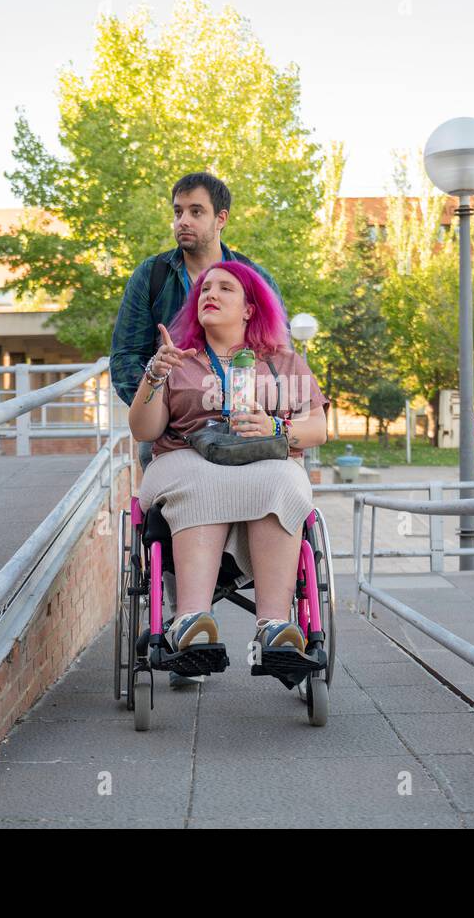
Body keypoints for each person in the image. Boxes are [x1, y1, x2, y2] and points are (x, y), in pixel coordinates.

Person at [110, 172, 288, 686]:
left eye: (194, 211)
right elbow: (125, 353)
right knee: (173, 503)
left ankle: (259, 606)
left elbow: (278, 352)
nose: (182, 221)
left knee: (270, 485)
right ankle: (184, 621)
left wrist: (272, 415)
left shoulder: (253, 276)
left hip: (244, 423)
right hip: (175, 426)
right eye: (177, 211)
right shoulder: (154, 277)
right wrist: (159, 410)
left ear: (220, 219)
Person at [127, 260, 329, 666]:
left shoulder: (284, 361)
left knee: (285, 482)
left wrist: (276, 426)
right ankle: (191, 620)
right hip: (184, 459)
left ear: (250, 308)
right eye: (204, 290)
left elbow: (318, 428)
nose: (210, 295)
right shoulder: (176, 360)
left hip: (263, 460)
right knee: (203, 479)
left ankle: (273, 627)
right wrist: (154, 376)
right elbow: (144, 431)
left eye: (224, 289)